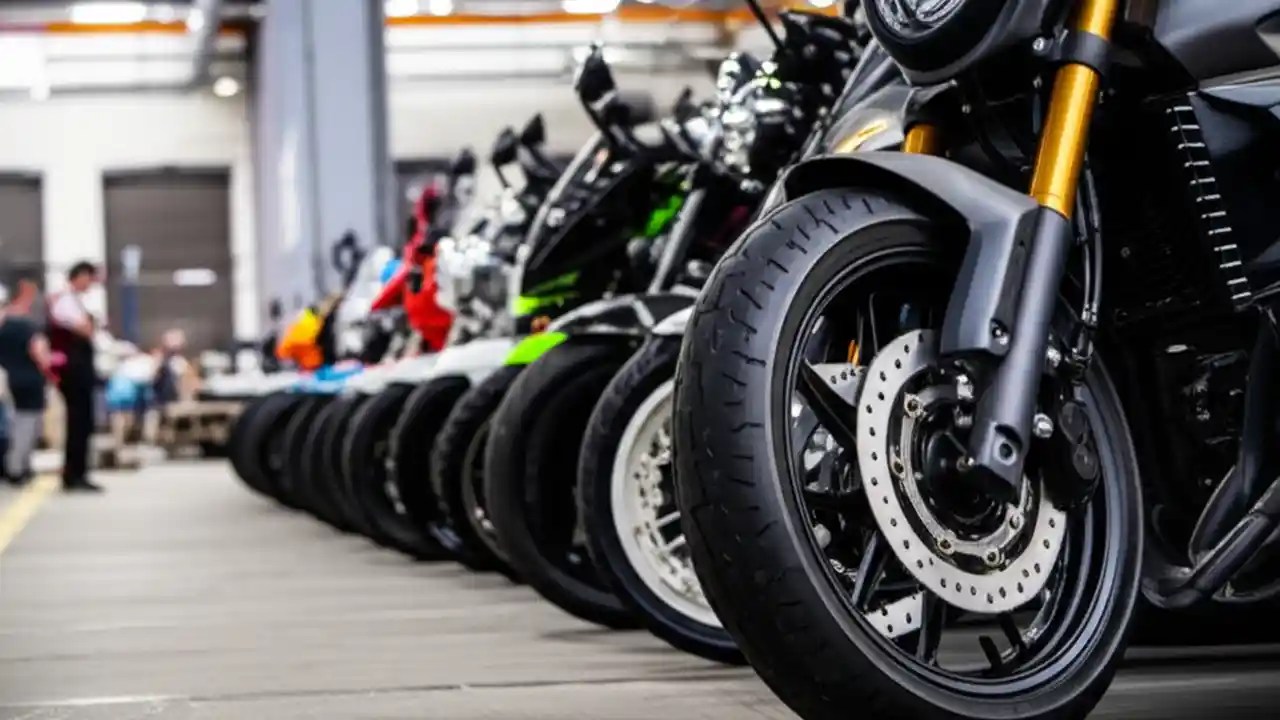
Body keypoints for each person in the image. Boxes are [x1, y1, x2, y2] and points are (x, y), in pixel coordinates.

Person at [47, 262, 103, 493]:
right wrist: (90, 322)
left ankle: (78, 471)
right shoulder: (65, 301)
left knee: (83, 422)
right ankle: (74, 473)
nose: (91, 284)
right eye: (89, 278)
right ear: (79, 276)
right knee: (78, 422)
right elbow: (85, 329)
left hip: (80, 370)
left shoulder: (74, 301)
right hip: (74, 371)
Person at [0, 283, 52, 486]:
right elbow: (39, 351)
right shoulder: (26, 326)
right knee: (29, 424)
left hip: (7, 380)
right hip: (30, 379)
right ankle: (18, 468)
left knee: (13, 423)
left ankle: (14, 465)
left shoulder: (3, 327)